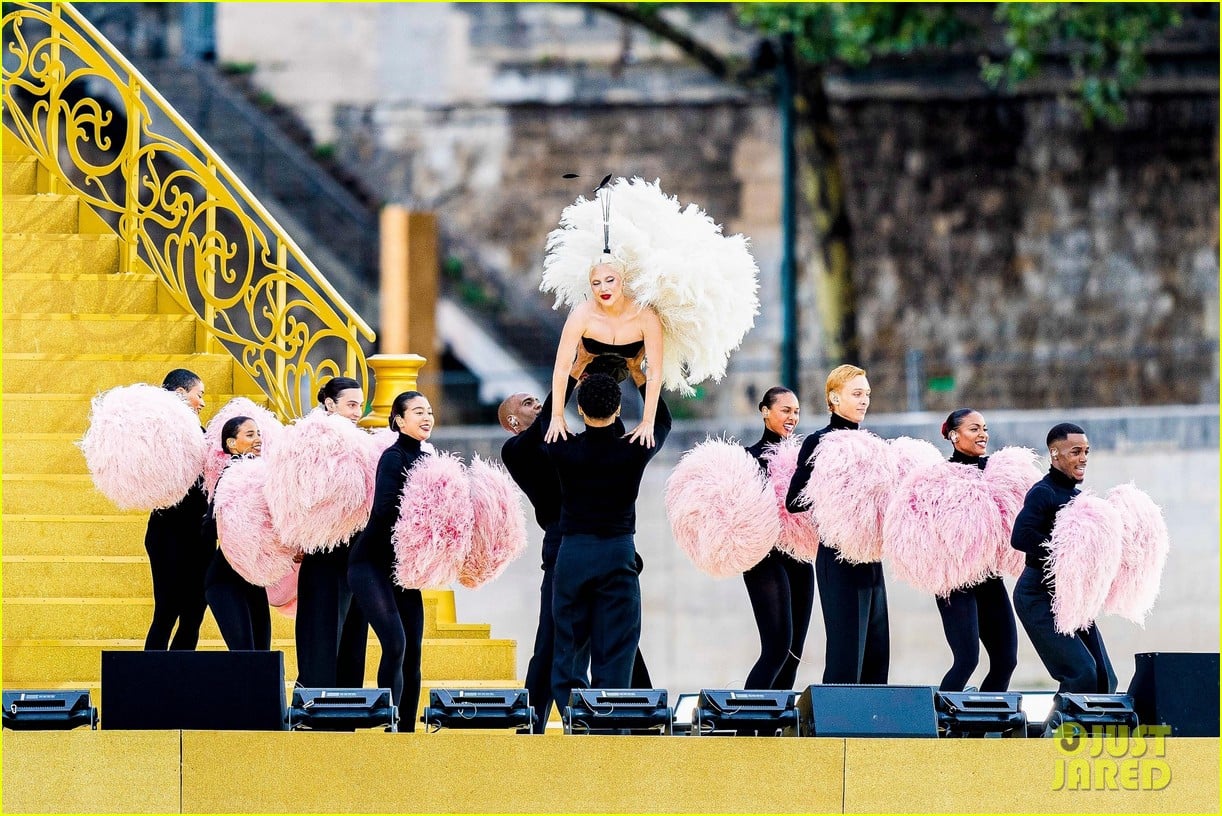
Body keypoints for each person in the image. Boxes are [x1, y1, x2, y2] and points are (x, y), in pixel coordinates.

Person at [499, 353, 652, 733]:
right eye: (528, 403)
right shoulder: (518, 450)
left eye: (539, 400)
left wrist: (600, 385)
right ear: (513, 421)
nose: (539, 405)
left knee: (619, 638)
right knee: (552, 641)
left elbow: (609, 434)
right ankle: (532, 721)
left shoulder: (565, 442)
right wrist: (569, 374)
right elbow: (552, 423)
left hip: (602, 542)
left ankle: (638, 718)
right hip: (563, 547)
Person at [545, 372, 671, 711]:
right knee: (616, 646)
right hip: (617, 550)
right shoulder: (634, 448)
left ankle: (576, 720)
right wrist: (640, 375)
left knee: (569, 645)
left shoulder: (561, 446)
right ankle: (610, 722)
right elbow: (663, 421)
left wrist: (573, 374)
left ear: (580, 411)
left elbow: (547, 421)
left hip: (573, 551)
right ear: (617, 410)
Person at [785, 364, 888, 684]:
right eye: (856, 394)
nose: (864, 400)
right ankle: (832, 719)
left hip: (871, 559)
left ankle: (871, 720)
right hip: (837, 557)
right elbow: (794, 500)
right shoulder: (819, 442)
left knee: (877, 658)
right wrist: (841, 490)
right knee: (846, 660)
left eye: (867, 394)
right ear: (834, 398)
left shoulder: (872, 444)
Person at [1011, 422, 1117, 694]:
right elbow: (1020, 536)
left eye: (1086, 452)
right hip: (1036, 595)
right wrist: (1064, 552)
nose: (1083, 458)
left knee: (1106, 679)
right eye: (1075, 452)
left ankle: (1088, 723)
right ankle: (1058, 723)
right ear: (1055, 454)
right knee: (1081, 674)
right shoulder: (1042, 492)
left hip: (1070, 595)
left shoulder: (1078, 497)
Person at [347, 391, 433, 726]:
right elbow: (384, 509)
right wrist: (425, 518)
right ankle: (391, 724)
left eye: (429, 411)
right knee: (395, 644)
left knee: (413, 653)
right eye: (418, 412)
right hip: (370, 563)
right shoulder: (393, 457)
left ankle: (406, 733)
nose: (427, 417)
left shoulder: (429, 459)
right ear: (399, 420)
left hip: (403, 569)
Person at [932, 408, 1019, 692]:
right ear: (954, 436)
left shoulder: (997, 472)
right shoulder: (939, 477)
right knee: (966, 660)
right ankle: (940, 718)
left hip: (989, 576)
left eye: (985, 428)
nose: (983, 434)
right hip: (954, 580)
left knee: (1006, 660)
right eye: (974, 429)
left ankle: (986, 716)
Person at [294, 376, 370, 688]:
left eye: (360, 405)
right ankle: (315, 704)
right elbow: (295, 493)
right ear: (329, 404)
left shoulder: (362, 443)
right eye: (351, 405)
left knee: (352, 638)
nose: (357, 412)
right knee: (321, 637)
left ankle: (348, 708)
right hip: (324, 551)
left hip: (356, 553)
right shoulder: (309, 441)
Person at [545, 257, 664, 448]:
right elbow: (561, 367)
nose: (603, 288)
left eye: (610, 280)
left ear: (623, 281)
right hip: (585, 372)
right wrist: (557, 416)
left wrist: (648, 422)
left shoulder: (646, 316)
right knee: (550, 428)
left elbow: (654, 372)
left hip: (624, 372)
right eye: (596, 283)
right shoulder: (581, 315)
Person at [741, 386, 815, 690]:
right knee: (776, 649)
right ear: (765, 411)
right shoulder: (746, 458)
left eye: (796, 411)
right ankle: (748, 718)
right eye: (785, 410)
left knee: (793, 655)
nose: (792, 417)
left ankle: (778, 720)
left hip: (799, 558)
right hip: (764, 558)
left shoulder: (803, 457)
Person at [143, 368, 212, 650]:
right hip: (168, 533)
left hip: (201, 534)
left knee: (194, 615)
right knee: (167, 611)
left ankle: (180, 673)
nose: (203, 402)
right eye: (199, 395)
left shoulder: (200, 431)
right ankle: (150, 674)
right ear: (181, 393)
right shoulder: (157, 431)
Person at [203, 416, 271, 650]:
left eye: (259, 433)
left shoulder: (264, 474)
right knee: (245, 655)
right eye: (250, 435)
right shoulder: (230, 475)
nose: (258, 439)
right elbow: (209, 527)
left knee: (262, 656)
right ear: (232, 444)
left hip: (253, 578)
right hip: (225, 580)